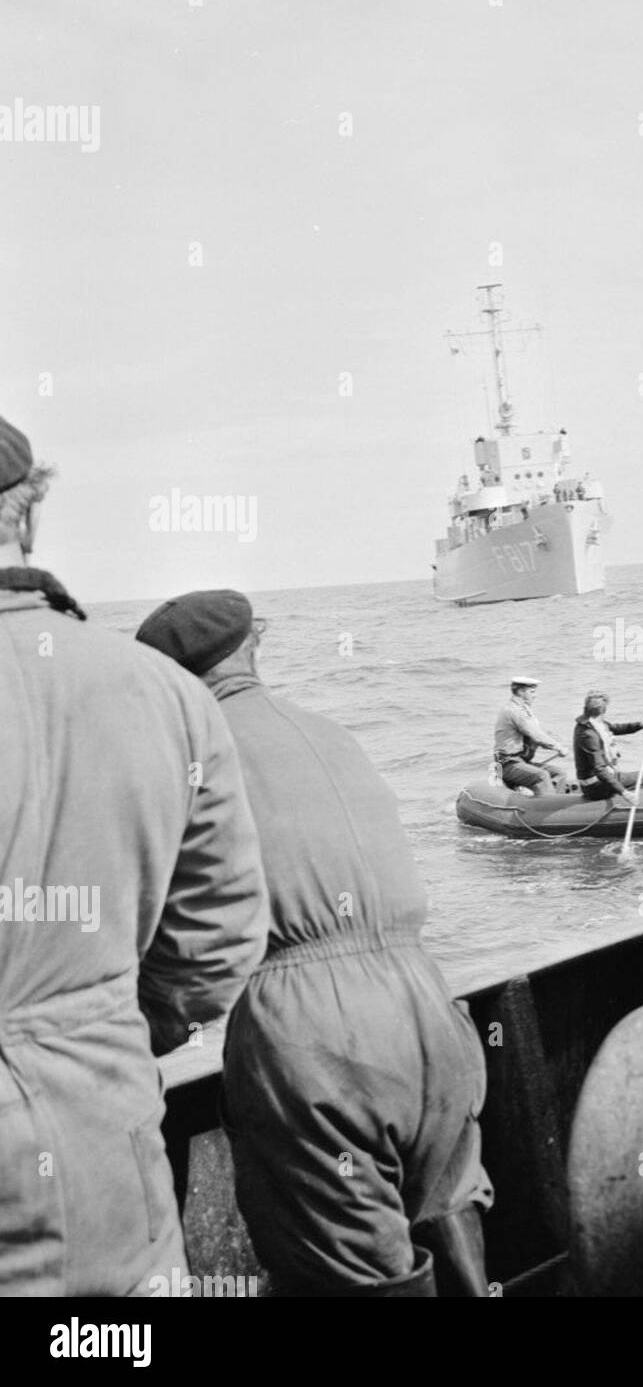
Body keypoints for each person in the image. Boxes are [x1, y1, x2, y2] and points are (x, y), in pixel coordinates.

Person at [137, 591, 493, 1297]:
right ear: (253, 646)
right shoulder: (331, 732)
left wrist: (140, 1034)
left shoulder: (187, 761)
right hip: (429, 1007)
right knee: (448, 1213)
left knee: (345, 1269)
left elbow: (193, 953)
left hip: (315, 1039)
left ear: (168, 681)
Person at [0, 417, 270, 1296]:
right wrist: (109, 1028)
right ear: (27, 520)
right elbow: (221, 937)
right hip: (104, 1146)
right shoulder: (163, 693)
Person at [573, 691, 643, 802]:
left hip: (597, 780)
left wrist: (641, 725)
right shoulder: (589, 735)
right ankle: (633, 801)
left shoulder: (590, 724)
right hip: (596, 787)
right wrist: (624, 792)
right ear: (604, 710)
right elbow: (599, 769)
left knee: (625, 776)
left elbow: (617, 728)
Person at [494, 676, 568, 795]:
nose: (535, 695)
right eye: (532, 692)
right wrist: (558, 747)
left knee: (559, 773)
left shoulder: (524, 710)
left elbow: (537, 734)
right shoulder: (514, 711)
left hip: (520, 762)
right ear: (521, 692)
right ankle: (549, 808)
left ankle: (556, 803)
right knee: (542, 776)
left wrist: (552, 740)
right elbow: (536, 735)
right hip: (508, 764)